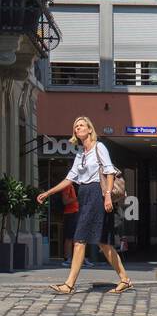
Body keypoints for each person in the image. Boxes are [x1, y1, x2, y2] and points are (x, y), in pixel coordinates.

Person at [37, 117, 132, 295]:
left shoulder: (99, 147)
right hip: (85, 195)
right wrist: (49, 192)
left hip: (98, 194)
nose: (77, 127)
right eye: (75, 126)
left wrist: (108, 196)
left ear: (89, 129)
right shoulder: (80, 153)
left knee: (79, 239)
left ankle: (69, 284)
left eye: (81, 125)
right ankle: (125, 279)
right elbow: (70, 178)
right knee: (103, 243)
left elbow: (109, 171)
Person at [61, 182, 79, 265]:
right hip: (70, 213)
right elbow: (65, 201)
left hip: (74, 213)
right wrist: (77, 198)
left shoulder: (71, 186)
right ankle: (67, 258)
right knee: (69, 237)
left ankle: (75, 258)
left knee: (75, 237)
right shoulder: (67, 186)